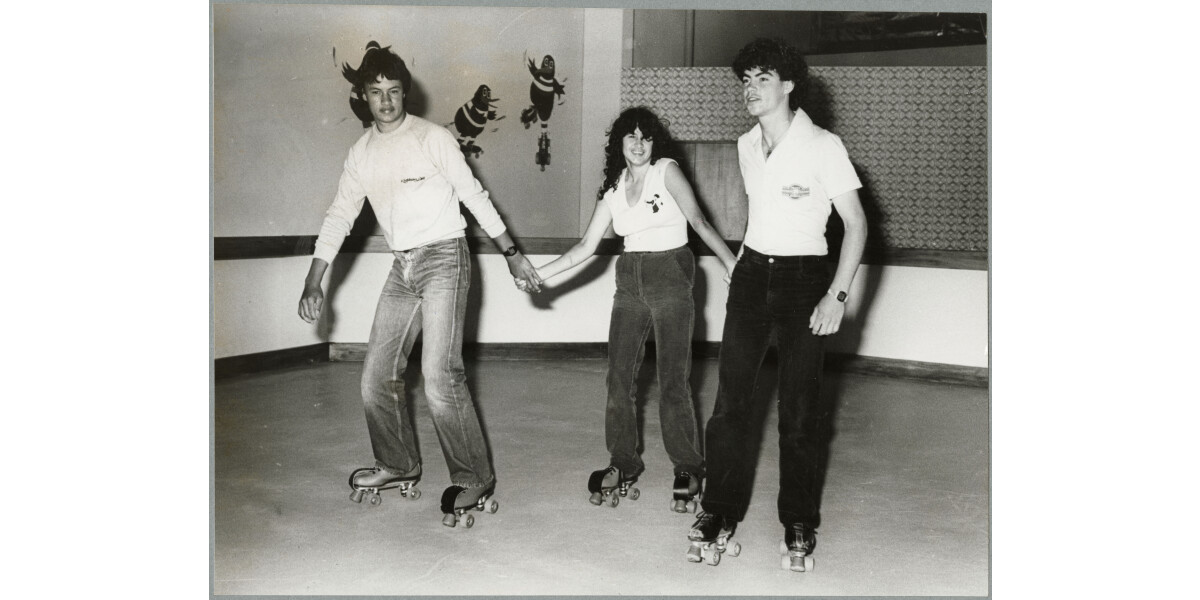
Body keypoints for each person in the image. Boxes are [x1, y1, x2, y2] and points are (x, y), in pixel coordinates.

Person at [297, 42, 543, 526]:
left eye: (393, 91)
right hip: (402, 267)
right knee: (375, 376)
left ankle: (474, 476)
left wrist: (513, 256)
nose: (386, 101)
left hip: (445, 258)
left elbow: (474, 195)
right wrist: (313, 280)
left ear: (404, 92)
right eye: (376, 92)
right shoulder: (361, 154)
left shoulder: (433, 138)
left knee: (439, 374)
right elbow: (339, 215)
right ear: (363, 97)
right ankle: (397, 463)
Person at [685, 39, 867, 570]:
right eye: (745, 80)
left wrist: (836, 295)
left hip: (805, 280)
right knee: (730, 406)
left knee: (799, 411)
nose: (750, 88)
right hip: (751, 277)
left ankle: (799, 520)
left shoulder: (823, 145)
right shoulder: (747, 145)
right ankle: (718, 509)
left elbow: (856, 224)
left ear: (788, 85)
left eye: (762, 78)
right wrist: (741, 264)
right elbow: (761, 215)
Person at [529, 107, 738, 512]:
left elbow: (698, 220)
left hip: (671, 272)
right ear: (619, 144)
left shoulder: (666, 170)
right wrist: (539, 275)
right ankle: (622, 461)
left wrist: (731, 262)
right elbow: (584, 248)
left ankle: (688, 467)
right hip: (629, 280)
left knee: (673, 378)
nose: (639, 144)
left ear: (654, 142)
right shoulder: (612, 190)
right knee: (618, 377)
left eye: (645, 136)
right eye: (631, 136)